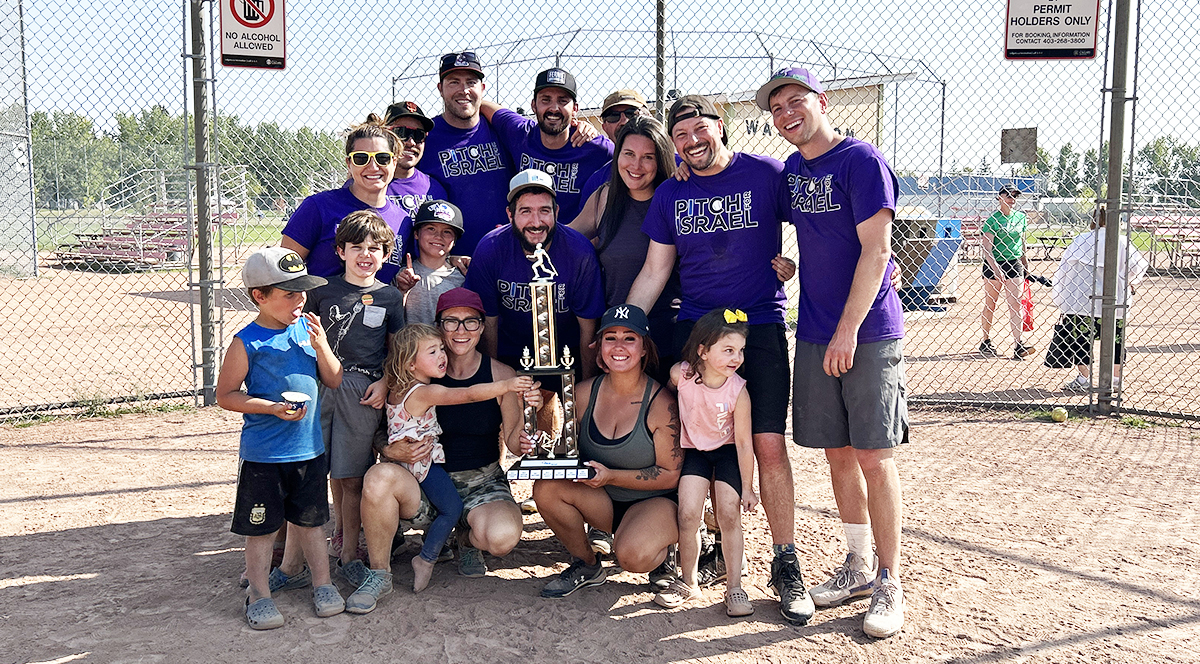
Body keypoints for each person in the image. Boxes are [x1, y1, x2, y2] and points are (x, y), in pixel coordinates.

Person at [626, 94, 813, 625]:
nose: (691, 141)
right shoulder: (671, 193)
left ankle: (784, 561)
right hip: (700, 332)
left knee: (768, 443)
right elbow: (655, 271)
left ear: (721, 127)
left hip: (760, 326)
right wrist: (626, 326)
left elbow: (816, 222)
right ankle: (701, 553)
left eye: (700, 129)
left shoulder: (767, 174)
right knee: (695, 441)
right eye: (680, 135)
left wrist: (795, 263)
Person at [760, 66, 908, 638]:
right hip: (817, 330)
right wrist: (791, 267)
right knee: (838, 456)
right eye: (777, 108)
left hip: (866, 332)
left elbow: (876, 251)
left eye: (796, 101)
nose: (787, 114)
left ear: (822, 102)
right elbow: (822, 240)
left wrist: (848, 328)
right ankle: (857, 567)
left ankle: (891, 578)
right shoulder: (794, 171)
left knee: (875, 456)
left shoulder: (860, 160)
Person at [215, 247, 345, 629]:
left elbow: (334, 379)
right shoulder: (247, 342)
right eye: (289, 293)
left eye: (301, 291)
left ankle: (322, 584)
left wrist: (322, 346)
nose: (299, 300)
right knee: (262, 528)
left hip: (308, 450)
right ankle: (259, 593)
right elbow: (226, 395)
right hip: (264, 455)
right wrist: (269, 407)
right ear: (260, 296)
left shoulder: (308, 332)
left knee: (311, 522)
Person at [532, 304, 682, 598]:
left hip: (654, 502)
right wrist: (536, 417)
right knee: (546, 488)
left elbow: (670, 475)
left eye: (630, 338)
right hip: (603, 501)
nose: (619, 346)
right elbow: (561, 449)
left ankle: (665, 552)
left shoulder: (661, 403)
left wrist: (611, 475)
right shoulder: (584, 393)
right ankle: (587, 564)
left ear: (644, 348)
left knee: (632, 558)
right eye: (610, 337)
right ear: (598, 347)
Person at [375, 324, 533, 593]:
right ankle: (425, 558)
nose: (442, 356)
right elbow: (468, 394)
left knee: (482, 525)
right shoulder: (424, 391)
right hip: (422, 467)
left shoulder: (399, 387)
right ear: (411, 364)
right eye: (433, 351)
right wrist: (506, 386)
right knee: (452, 509)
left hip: (444, 471)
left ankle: (459, 540)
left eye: (440, 349)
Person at [302, 210, 405, 587]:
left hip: (363, 388)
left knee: (352, 475)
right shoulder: (321, 290)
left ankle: (349, 552)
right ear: (341, 250)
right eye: (357, 247)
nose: (366, 254)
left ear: (386, 254)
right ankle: (311, 552)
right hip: (319, 386)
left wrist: (385, 382)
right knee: (315, 469)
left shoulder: (391, 297)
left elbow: (397, 350)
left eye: (375, 248)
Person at [655, 309, 759, 617]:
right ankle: (688, 582)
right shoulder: (681, 375)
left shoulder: (738, 391)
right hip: (695, 452)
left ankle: (735, 587)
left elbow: (743, 442)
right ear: (703, 350)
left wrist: (748, 487)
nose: (736, 357)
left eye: (740, 350)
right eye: (728, 350)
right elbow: (669, 401)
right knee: (688, 514)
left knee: (729, 513)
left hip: (726, 452)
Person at [464, 168, 606, 378]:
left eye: (544, 211)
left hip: (567, 357)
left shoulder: (579, 252)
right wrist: (494, 385)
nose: (537, 222)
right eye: (526, 211)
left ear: (556, 213)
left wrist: (587, 387)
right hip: (509, 357)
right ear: (510, 215)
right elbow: (488, 323)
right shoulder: (490, 248)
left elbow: (588, 328)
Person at [568, 115, 680, 380]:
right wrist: (514, 234)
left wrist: (622, 329)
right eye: (628, 153)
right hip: (615, 335)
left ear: (661, 159)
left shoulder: (673, 199)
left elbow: (655, 272)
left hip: (662, 335)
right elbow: (565, 238)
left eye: (648, 157)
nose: (636, 165)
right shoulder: (604, 198)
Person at [282, 120, 410, 285]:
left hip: (380, 310)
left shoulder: (403, 220)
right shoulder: (318, 207)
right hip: (322, 309)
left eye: (382, 158)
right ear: (349, 163)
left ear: (394, 162)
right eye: (361, 158)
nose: (373, 166)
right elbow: (284, 270)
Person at [480, 67, 614, 222]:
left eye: (563, 101)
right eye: (546, 100)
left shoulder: (596, 147)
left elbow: (627, 158)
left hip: (572, 240)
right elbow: (481, 104)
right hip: (526, 237)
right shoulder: (520, 132)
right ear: (533, 105)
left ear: (575, 109)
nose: (554, 108)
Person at [422, 52, 516, 255]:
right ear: (440, 89)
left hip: (507, 255)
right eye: (454, 82)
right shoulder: (424, 137)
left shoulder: (502, 130)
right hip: (450, 263)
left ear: (482, 88)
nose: (463, 90)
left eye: (471, 82)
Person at [1045, 210, 1148, 391]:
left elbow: (1064, 270)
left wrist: (1062, 297)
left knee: (1082, 340)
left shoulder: (1081, 240)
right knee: (1116, 339)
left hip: (1081, 301)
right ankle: (1115, 380)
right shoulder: (1121, 241)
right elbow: (1137, 268)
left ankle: (1084, 379)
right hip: (1114, 301)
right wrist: (1129, 282)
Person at [571, 89, 653, 224]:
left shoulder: (677, 168)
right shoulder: (597, 182)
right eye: (613, 116)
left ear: (649, 117)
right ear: (604, 127)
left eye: (632, 113)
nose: (623, 121)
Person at [979, 184, 1033, 360]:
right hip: (994, 262)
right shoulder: (992, 220)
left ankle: (1019, 344)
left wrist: (1026, 266)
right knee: (991, 304)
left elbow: (1022, 244)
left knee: (1015, 303)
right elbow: (987, 249)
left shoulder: (1020, 218)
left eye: (1014, 196)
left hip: (1013, 262)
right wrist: (996, 269)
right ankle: (985, 340)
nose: (1012, 199)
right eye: (1008, 195)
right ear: (999, 197)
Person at [380, 102, 449, 230]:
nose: (410, 142)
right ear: (384, 135)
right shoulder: (370, 185)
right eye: (401, 133)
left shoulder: (434, 189)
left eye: (419, 135)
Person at [397, 200, 467, 325]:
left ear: (455, 240)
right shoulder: (403, 276)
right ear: (416, 234)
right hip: (410, 344)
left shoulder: (462, 278)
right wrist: (402, 291)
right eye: (431, 228)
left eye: (447, 232)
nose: (438, 236)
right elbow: (393, 320)